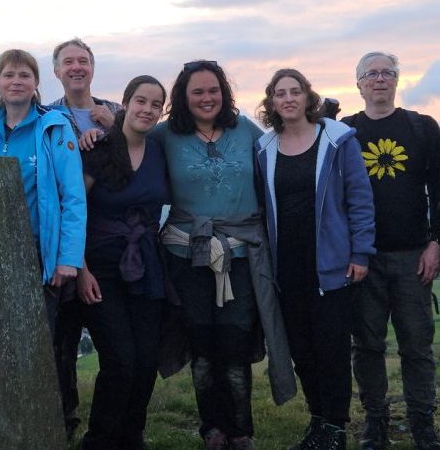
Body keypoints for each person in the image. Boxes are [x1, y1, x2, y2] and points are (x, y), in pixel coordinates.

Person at [156, 60, 294, 450]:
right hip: (187, 255)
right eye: (197, 91)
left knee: (234, 344)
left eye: (213, 90)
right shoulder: (164, 136)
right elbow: (129, 143)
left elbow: (285, 146)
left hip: (241, 254)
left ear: (224, 92)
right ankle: (211, 428)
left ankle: (241, 430)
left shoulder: (245, 131)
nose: (206, 98)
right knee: (202, 346)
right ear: (184, 96)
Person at [0, 49, 86, 422]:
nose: (16, 81)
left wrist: (68, 259)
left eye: (24, 75)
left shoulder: (54, 126)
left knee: (37, 348)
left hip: (39, 256)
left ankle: (43, 424)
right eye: (9, 75)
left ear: (36, 83)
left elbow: (73, 197)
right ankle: (0, 422)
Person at [254, 68, 375, 450]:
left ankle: (336, 429)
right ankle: (319, 421)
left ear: (308, 97)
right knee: (302, 349)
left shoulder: (338, 140)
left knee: (332, 348)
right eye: (280, 93)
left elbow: (359, 198)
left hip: (332, 262)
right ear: (272, 102)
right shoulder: (265, 149)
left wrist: (360, 252)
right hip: (286, 263)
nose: (288, 98)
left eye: (295, 91)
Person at [341, 52, 440, 450]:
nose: (380, 80)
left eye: (388, 73)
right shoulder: (345, 131)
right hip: (363, 258)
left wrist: (437, 241)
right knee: (366, 345)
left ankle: (423, 423)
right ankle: (376, 423)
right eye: (371, 74)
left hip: (412, 255)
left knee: (417, 345)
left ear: (397, 81)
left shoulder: (421, 128)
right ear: (359, 84)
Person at [77, 75, 169, 450]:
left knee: (147, 360)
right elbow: (75, 209)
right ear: (125, 103)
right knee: (120, 360)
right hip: (101, 268)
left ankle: (132, 436)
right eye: (140, 101)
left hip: (146, 264)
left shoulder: (159, 150)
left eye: (155, 104)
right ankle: (100, 440)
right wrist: (81, 270)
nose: (147, 109)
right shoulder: (97, 148)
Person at [48, 37, 123, 438]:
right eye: (68, 62)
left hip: (110, 243)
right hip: (60, 241)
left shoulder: (115, 112)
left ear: (92, 68)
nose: (76, 67)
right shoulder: (46, 117)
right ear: (56, 71)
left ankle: (116, 429)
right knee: (61, 345)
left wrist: (116, 130)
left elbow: (139, 159)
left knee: (117, 347)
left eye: (83, 61)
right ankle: (64, 424)